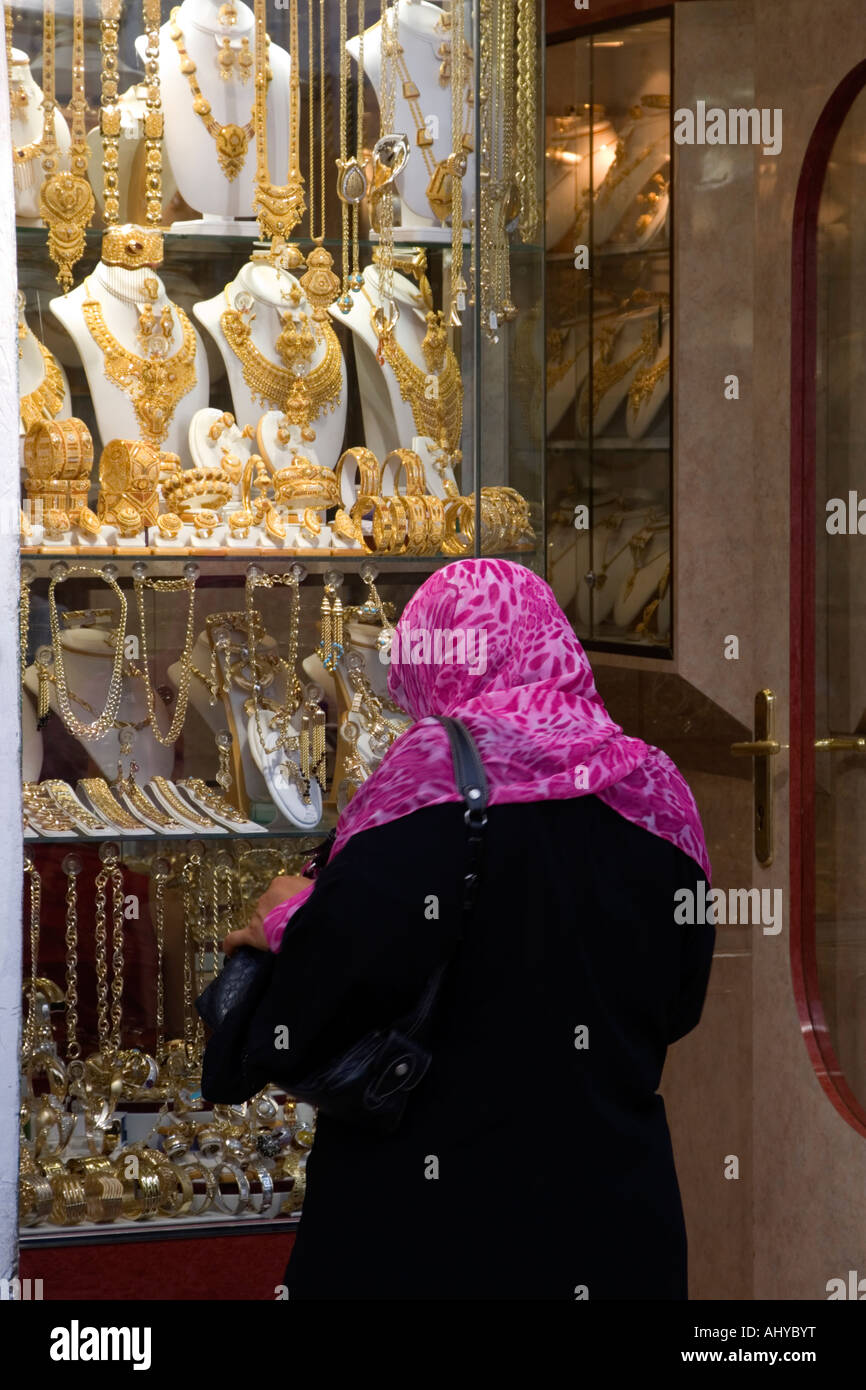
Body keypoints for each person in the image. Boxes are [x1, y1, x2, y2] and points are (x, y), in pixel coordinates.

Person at [224, 558, 715, 1301]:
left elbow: (322, 1005)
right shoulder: (658, 794)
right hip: (612, 1227)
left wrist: (293, 921)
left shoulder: (423, 791)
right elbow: (680, 1004)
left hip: (427, 1234)